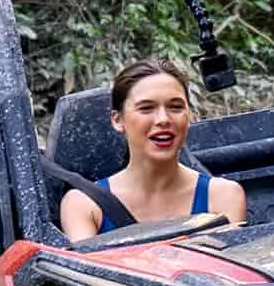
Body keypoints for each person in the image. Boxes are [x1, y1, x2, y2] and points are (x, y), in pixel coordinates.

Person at [59, 60, 248, 240]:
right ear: (118, 120)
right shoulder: (84, 205)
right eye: (146, 108)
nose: (163, 119)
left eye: (175, 107)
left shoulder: (224, 196)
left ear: (188, 115)